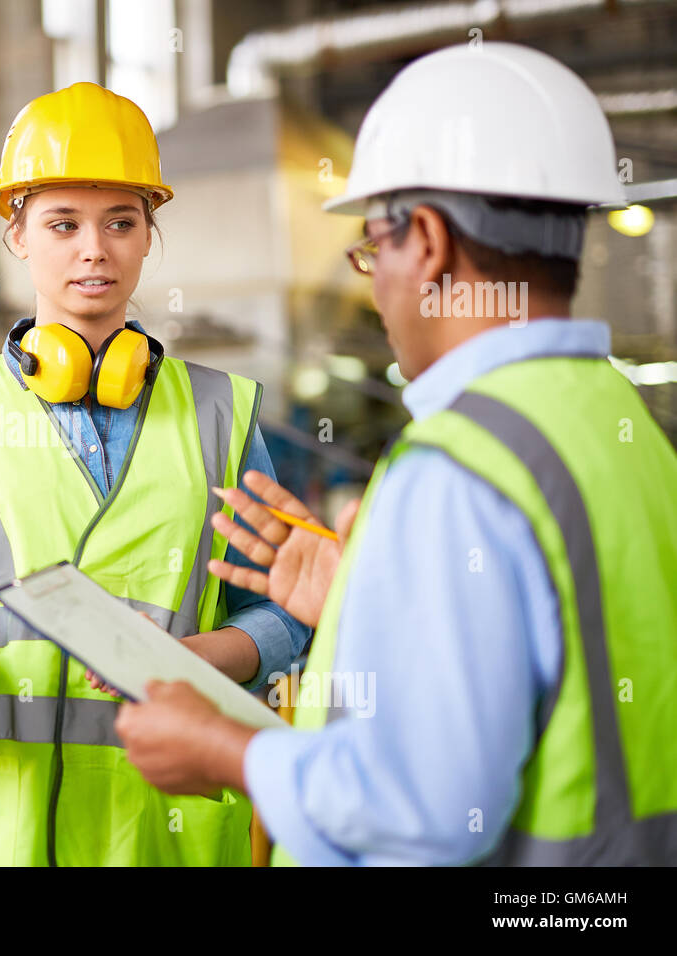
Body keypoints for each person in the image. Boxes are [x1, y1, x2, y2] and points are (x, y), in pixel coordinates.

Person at [114, 42, 677, 865]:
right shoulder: (624, 425)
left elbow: (420, 812)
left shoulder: (458, 467)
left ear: (431, 242)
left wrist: (227, 749)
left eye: (376, 250)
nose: (374, 286)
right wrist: (357, 604)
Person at [0, 81, 310, 865]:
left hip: (173, 832)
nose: (94, 249)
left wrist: (202, 658)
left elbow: (286, 612)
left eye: (121, 223)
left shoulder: (221, 413)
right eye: (63, 224)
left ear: (148, 235)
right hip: (2, 833)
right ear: (18, 236)